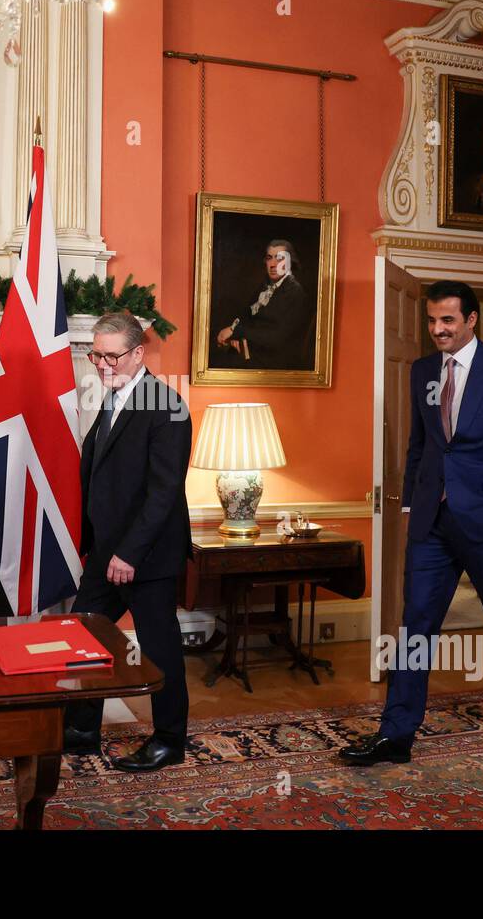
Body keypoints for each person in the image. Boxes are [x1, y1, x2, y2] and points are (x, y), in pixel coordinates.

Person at [341, 280, 483, 766]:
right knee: (415, 627)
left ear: (471, 320)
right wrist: (414, 505)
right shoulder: (421, 372)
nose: (437, 329)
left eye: (448, 321)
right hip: (431, 524)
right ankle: (396, 734)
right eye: (432, 320)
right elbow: (421, 445)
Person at [64, 311, 192, 773]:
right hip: (106, 551)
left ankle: (169, 739)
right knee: (82, 635)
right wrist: (93, 541)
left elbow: (163, 493)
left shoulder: (168, 406)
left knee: (159, 649)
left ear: (138, 354)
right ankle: (81, 729)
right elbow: (100, 476)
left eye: (111, 355)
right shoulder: (112, 398)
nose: (100, 364)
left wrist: (129, 553)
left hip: (146, 555)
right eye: (95, 353)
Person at [215, 239, 313, 370]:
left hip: (275, 363)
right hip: (253, 352)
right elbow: (246, 315)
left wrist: (236, 331)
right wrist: (235, 334)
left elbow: (276, 338)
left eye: (279, 259)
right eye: (269, 258)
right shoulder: (265, 287)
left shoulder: (295, 293)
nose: (272, 264)